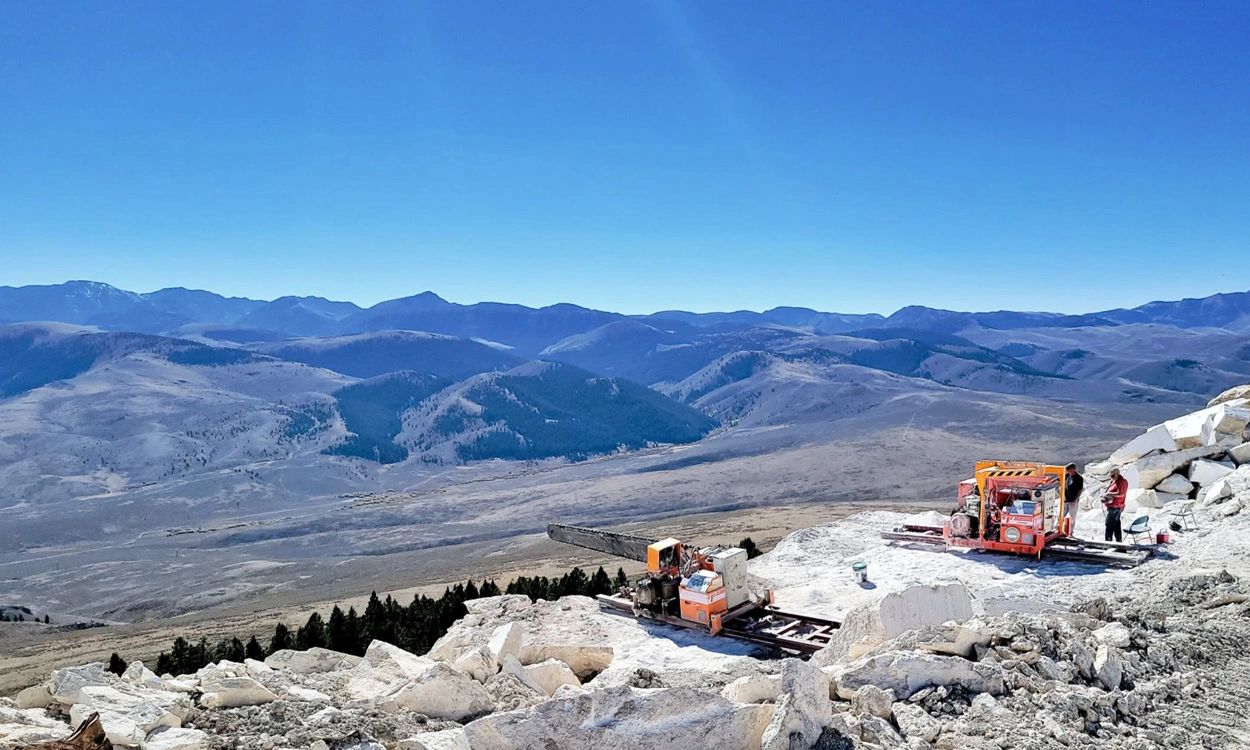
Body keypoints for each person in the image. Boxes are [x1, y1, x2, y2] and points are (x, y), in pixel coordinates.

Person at [1102, 466, 1128, 542]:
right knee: (1116, 525)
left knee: (1109, 524)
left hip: (1116, 507)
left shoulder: (1122, 481)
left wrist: (1109, 494)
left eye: (1112, 475)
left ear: (1117, 474)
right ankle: (1118, 541)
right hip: (1112, 506)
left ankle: (1108, 542)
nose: (1111, 477)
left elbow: (1121, 494)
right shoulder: (1114, 481)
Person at [1064, 463, 1084, 532]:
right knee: (1062, 515)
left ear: (1073, 470)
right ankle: (1062, 529)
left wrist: (1076, 499)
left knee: (1072, 517)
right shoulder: (1067, 476)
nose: (1068, 472)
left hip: (1073, 500)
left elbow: (1080, 490)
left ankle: (1070, 531)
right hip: (1065, 499)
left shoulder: (1079, 478)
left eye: (1069, 470)